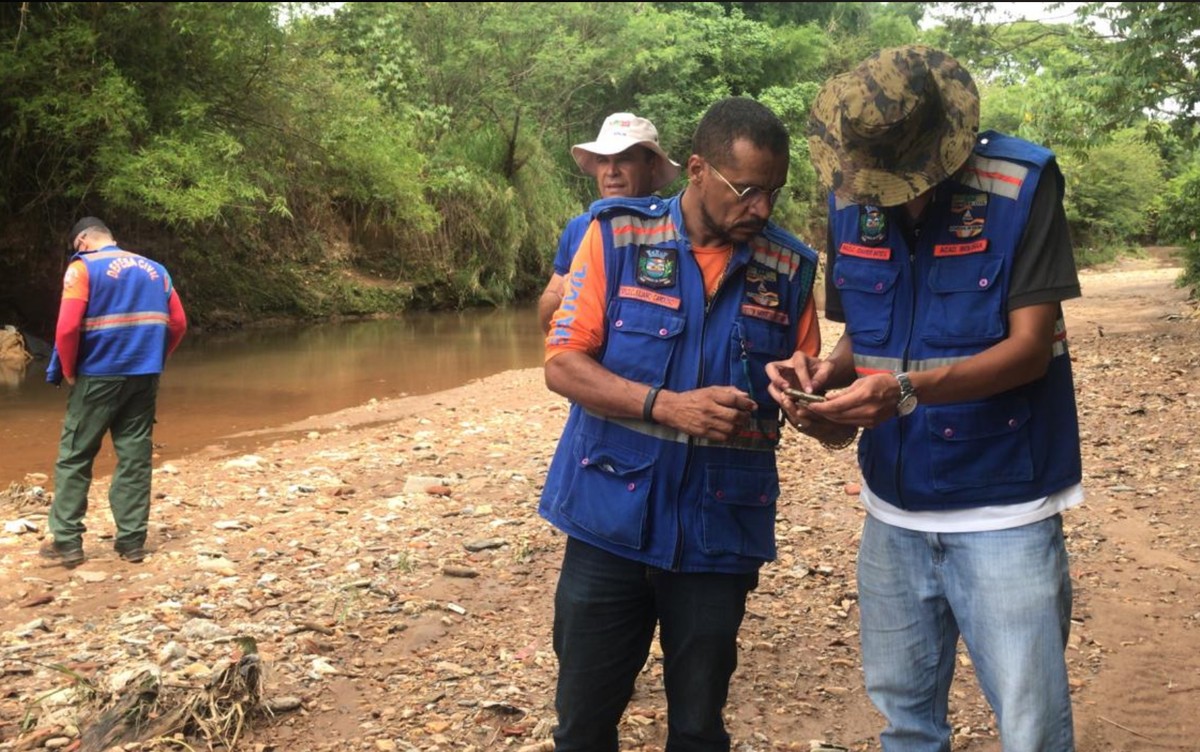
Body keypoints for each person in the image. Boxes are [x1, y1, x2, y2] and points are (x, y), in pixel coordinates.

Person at [769, 45, 1083, 751]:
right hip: (892, 512)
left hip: (1005, 508)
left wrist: (907, 391)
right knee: (906, 724)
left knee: (1030, 727)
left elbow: (1031, 348)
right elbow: (865, 334)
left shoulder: (1021, 185)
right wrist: (820, 379)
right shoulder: (847, 193)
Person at [541, 96, 830, 751]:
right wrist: (667, 405)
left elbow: (810, 394)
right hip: (608, 521)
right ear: (698, 170)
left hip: (717, 532)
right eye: (747, 190)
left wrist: (818, 412)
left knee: (698, 728)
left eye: (774, 192)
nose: (762, 208)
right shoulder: (616, 238)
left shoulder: (788, 269)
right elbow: (563, 365)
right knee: (582, 724)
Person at [40, 217, 188, 568]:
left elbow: (67, 328)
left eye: (76, 247)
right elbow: (179, 323)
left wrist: (68, 370)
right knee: (135, 456)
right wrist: (157, 357)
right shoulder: (156, 269)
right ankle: (132, 542)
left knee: (76, 455)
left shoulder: (82, 268)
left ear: (83, 241)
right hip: (144, 375)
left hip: (98, 375)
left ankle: (67, 543)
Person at [537, 112, 680, 333]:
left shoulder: (675, 227)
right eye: (603, 160)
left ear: (651, 164)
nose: (611, 171)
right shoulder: (580, 227)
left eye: (624, 158)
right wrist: (565, 291)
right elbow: (548, 323)